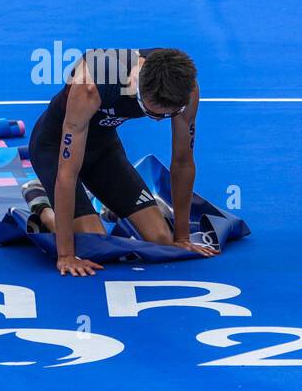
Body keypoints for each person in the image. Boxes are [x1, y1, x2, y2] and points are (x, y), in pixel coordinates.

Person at [22, 48, 219, 276]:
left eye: (168, 115)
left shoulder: (187, 89)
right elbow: (67, 172)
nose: (159, 121)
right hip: (55, 149)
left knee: (162, 240)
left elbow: (183, 161)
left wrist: (182, 238)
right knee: (93, 243)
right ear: (137, 83)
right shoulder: (91, 83)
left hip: (103, 149)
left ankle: (111, 208)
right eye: (152, 114)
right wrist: (66, 255)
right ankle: (42, 204)